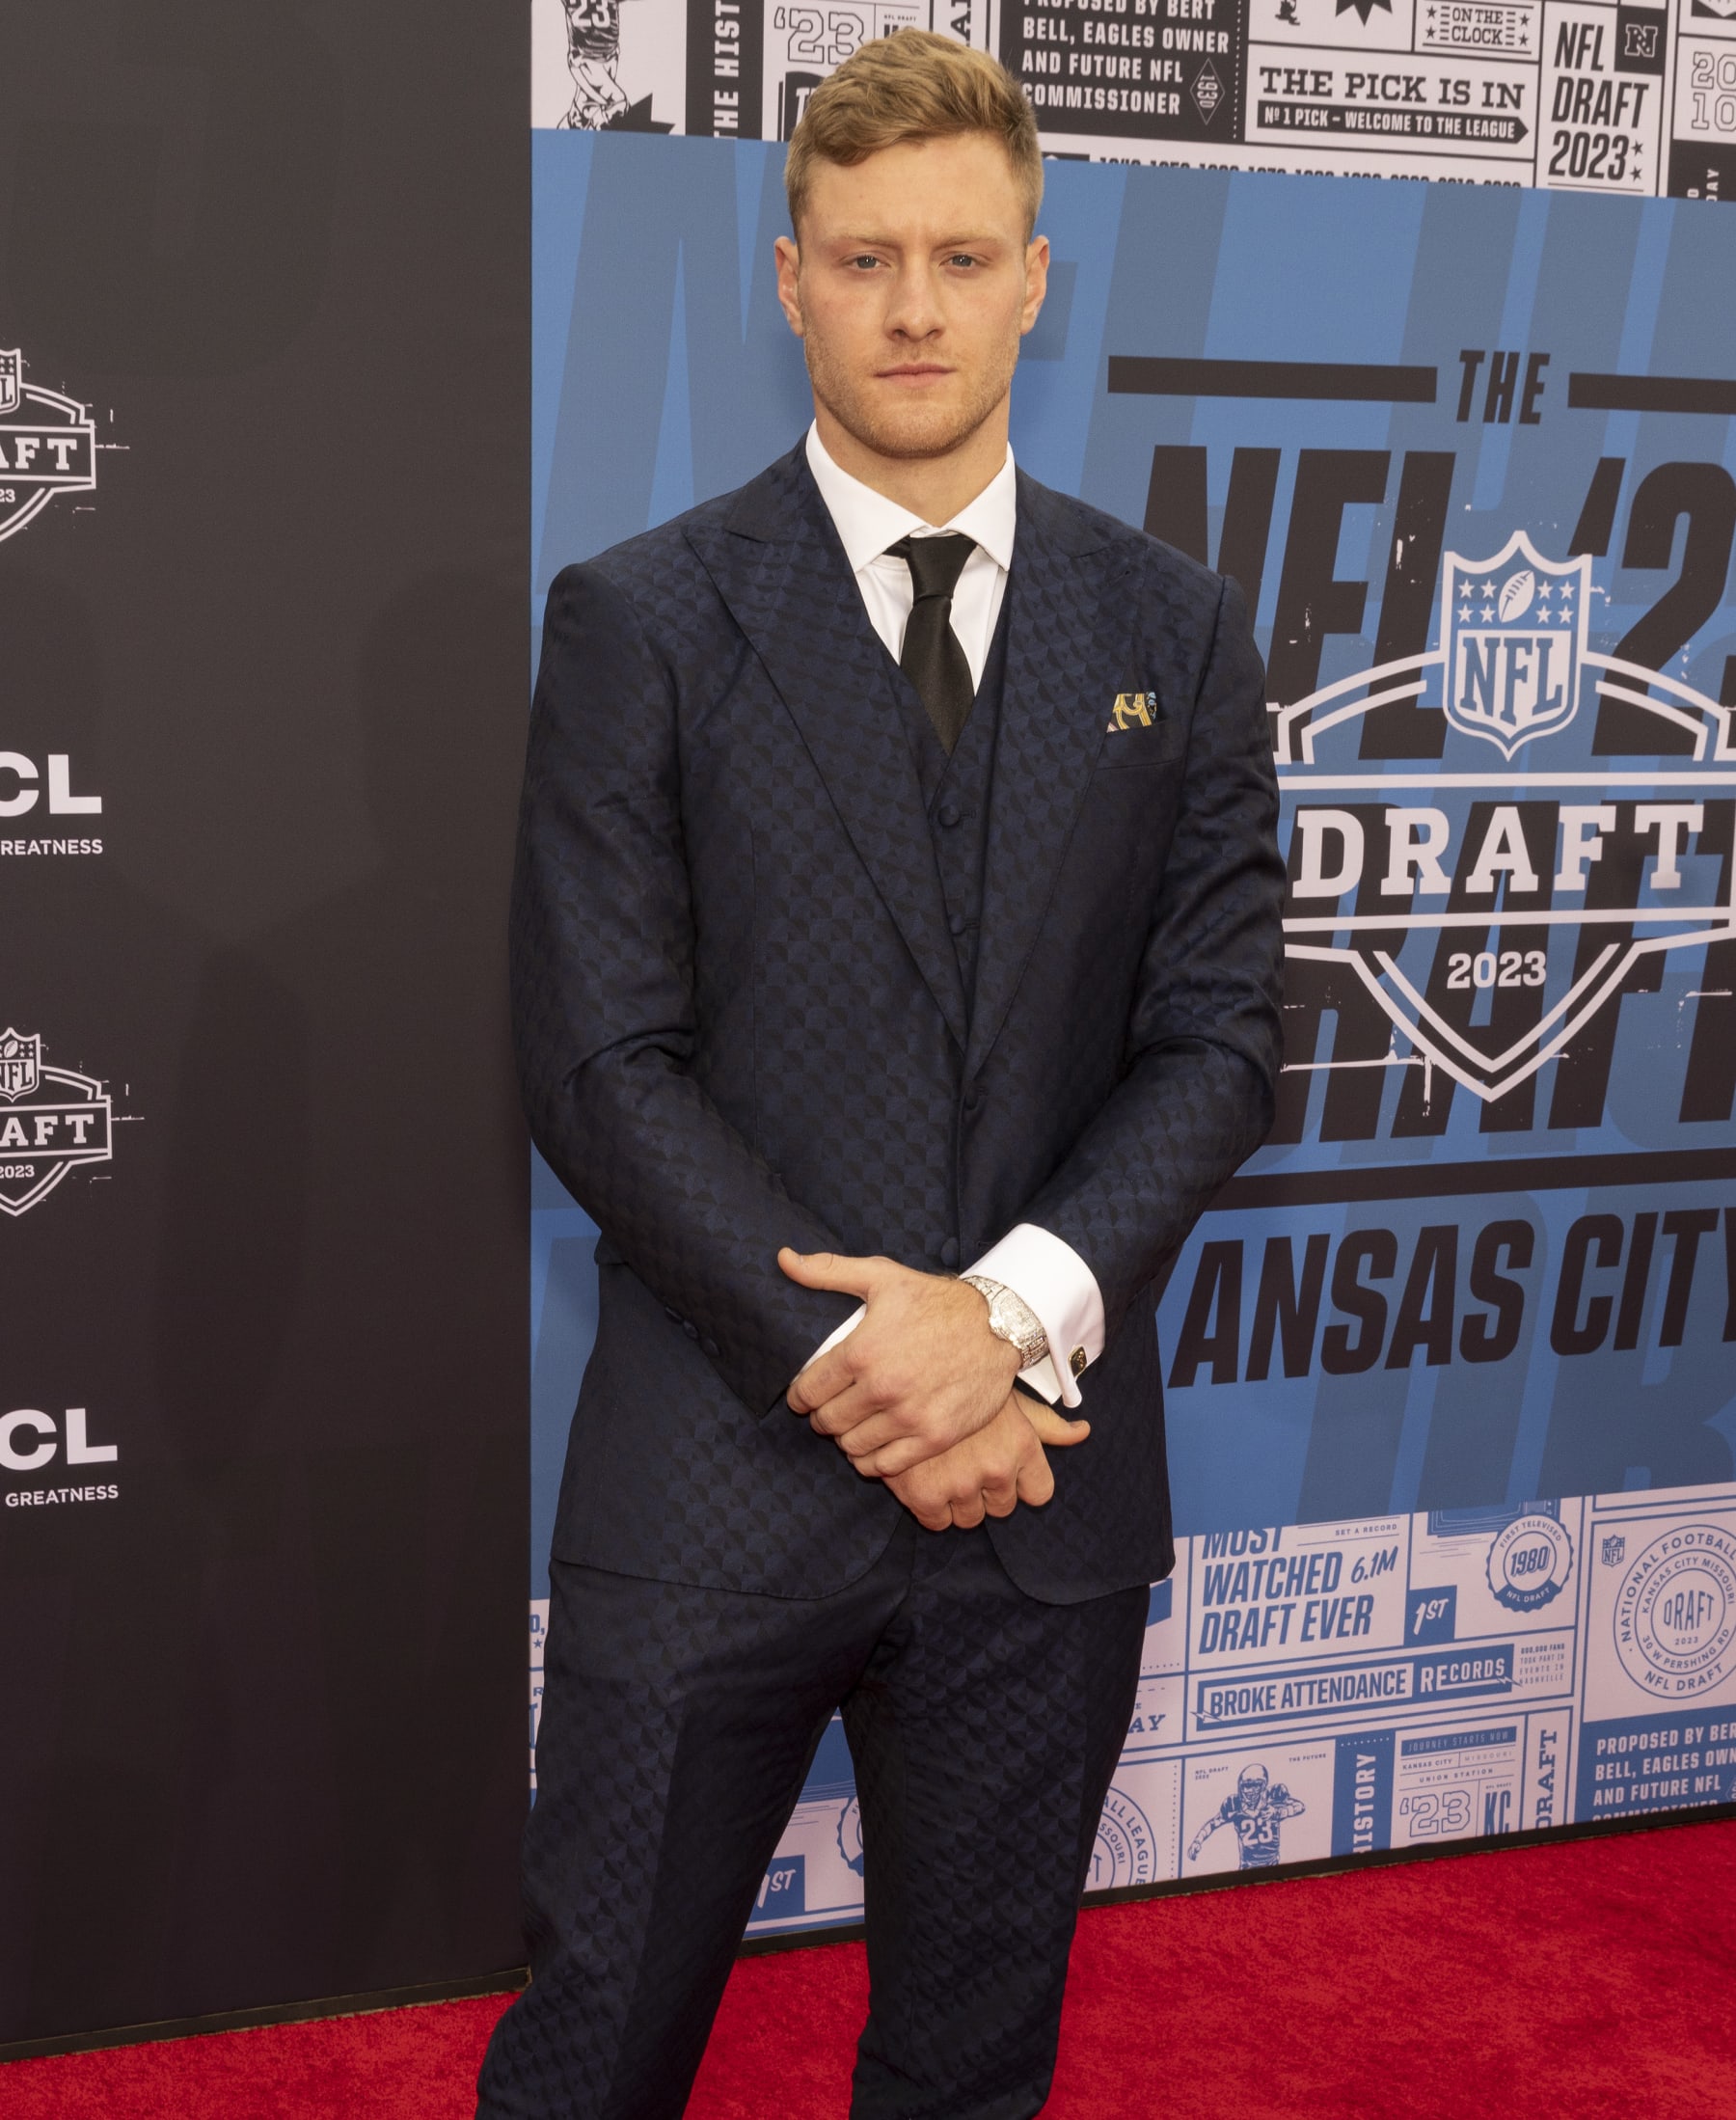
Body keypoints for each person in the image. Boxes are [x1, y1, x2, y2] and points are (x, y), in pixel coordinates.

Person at [479, 31, 1284, 2119]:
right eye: (862, 259)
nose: (912, 307)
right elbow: (598, 1059)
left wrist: (998, 1326)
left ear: (1036, 278)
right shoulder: (641, 620)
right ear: (789, 281)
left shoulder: (1178, 630)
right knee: (587, 2062)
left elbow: (1217, 1039)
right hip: (714, 1477)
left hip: (1043, 1489)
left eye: (959, 256)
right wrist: (877, 1362)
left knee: (970, 2069)